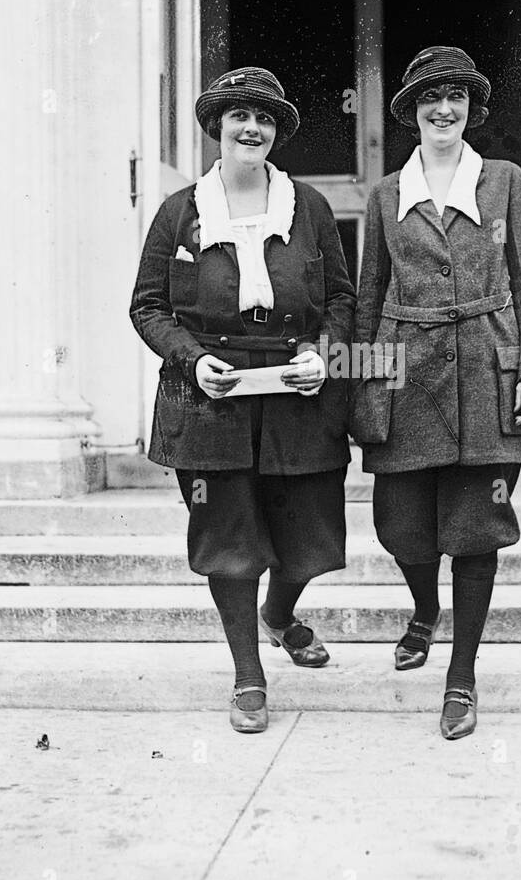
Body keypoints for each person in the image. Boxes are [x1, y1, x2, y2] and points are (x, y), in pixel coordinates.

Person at [130, 67, 355, 734]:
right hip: (209, 401)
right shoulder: (180, 212)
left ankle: (280, 615)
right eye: (239, 117)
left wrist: (324, 352)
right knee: (229, 538)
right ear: (217, 130)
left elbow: (340, 299)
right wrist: (194, 362)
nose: (251, 127)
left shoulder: (308, 207)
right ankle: (248, 675)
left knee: (308, 538)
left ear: (277, 131)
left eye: (264, 118)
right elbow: (147, 307)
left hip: (296, 395)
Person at [351, 46, 521, 740]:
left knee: (474, 532)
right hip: (404, 378)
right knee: (401, 527)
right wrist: (359, 383)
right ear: (411, 111)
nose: (444, 108)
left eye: (457, 96)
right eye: (431, 97)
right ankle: (423, 608)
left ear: (471, 107)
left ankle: (461, 677)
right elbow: (367, 295)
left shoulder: (504, 181)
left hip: (488, 377)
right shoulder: (383, 196)